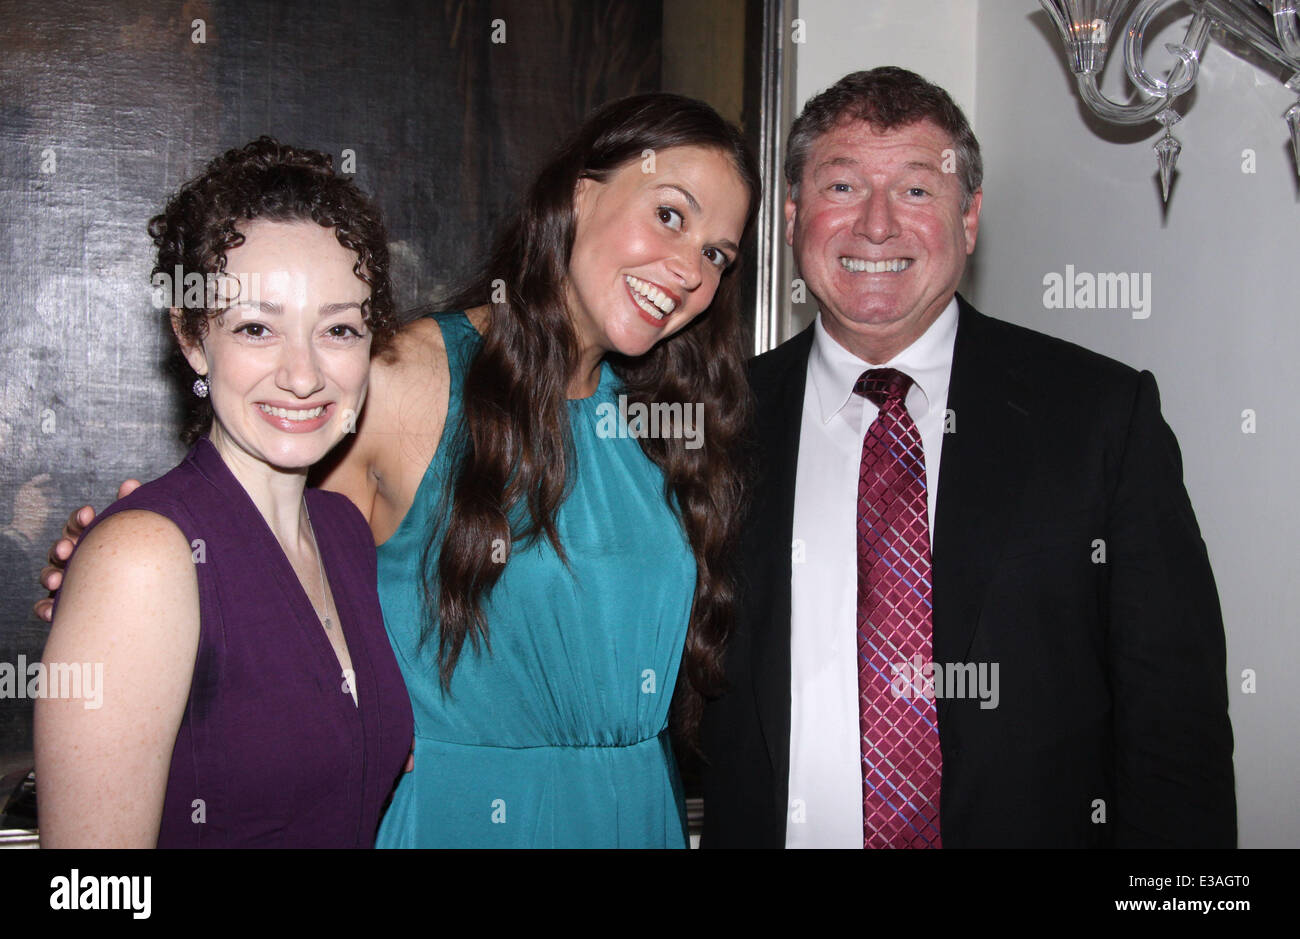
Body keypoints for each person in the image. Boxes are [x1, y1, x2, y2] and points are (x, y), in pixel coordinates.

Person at [39, 94, 759, 848]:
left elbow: (292, 546)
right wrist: (122, 570)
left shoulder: (664, 424)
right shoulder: (408, 376)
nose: (688, 269)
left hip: (637, 817)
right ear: (580, 193)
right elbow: (244, 541)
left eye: (717, 254)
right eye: (672, 216)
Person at [700, 67, 1236, 848]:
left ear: (970, 218)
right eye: (842, 187)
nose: (876, 226)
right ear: (791, 217)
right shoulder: (715, 427)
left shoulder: (1101, 419)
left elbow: (1175, 730)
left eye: (918, 191)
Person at [34, 138, 414, 847]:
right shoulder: (142, 558)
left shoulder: (343, 530)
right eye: (256, 328)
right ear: (193, 339)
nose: (303, 374)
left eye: (338, 327)